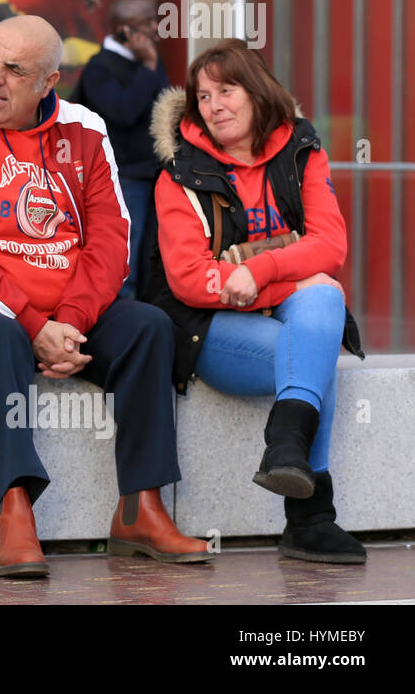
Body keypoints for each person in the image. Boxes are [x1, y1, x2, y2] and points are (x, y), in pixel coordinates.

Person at [0, 14, 209, 578]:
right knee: (1, 334)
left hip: (61, 315)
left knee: (149, 328)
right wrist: (34, 325)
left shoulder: (84, 128)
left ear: (49, 82)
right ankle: (15, 513)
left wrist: (70, 323)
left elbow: (111, 238)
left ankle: (140, 510)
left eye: (14, 69)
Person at [144, 40, 366, 564]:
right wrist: (293, 272)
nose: (214, 105)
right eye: (202, 96)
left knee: (320, 308)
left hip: (267, 305)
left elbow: (330, 245)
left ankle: (286, 444)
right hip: (210, 329)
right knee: (320, 317)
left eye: (227, 90)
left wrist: (253, 268)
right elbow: (190, 280)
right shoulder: (180, 174)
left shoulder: (300, 150)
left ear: (257, 90)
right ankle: (311, 519)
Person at [71, 0, 170, 298]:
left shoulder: (146, 62)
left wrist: (150, 65)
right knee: (125, 256)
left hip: (152, 174)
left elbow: (163, 105)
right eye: (146, 22)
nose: (155, 28)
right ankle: (123, 318)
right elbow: (123, 112)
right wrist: (149, 65)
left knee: (148, 253)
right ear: (125, 30)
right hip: (123, 177)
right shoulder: (99, 68)